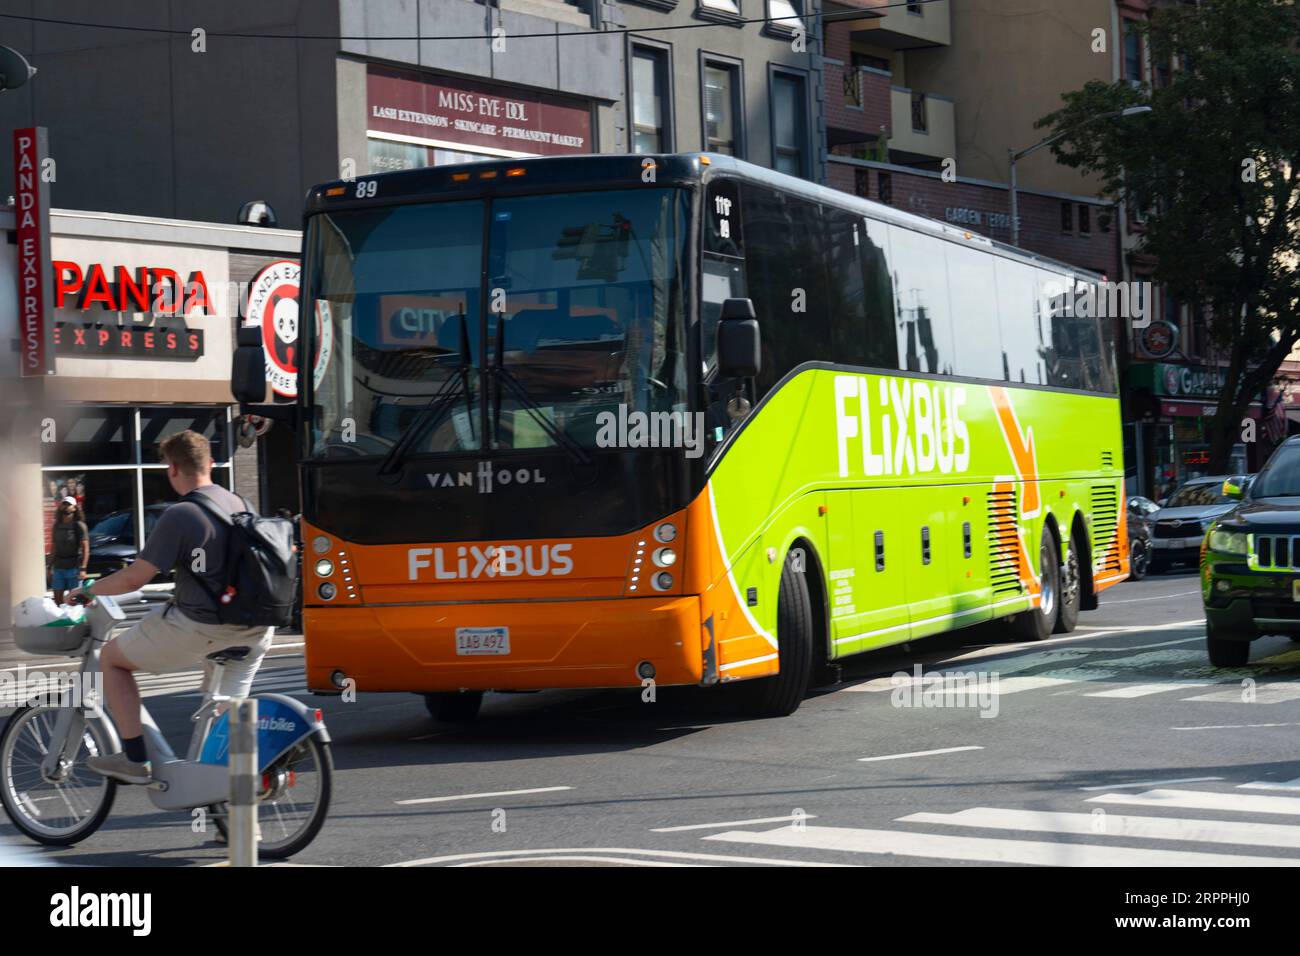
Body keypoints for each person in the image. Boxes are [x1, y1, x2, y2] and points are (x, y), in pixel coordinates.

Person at [68, 430, 272, 785]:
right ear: (209, 464)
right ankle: (229, 806)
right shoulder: (242, 505)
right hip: (256, 629)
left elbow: (135, 579)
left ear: (172, 468)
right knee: (226, 713)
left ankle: (136, 759)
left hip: (203, 626)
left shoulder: (182, 514)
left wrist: (87, 591)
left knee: (112, 660)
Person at [49, 497, 89, 605]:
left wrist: (83, 569)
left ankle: (75, 621)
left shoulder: (79, 526)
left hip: (74, 567)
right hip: (58, 567)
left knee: (74, 599)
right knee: (58, 600)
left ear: (74, 508)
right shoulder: (56, 525)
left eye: (69, 504)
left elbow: (86, 549)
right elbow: (54, 547)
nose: (66, 506)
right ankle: (62, 620)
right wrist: (49, 566)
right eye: (64, 504)